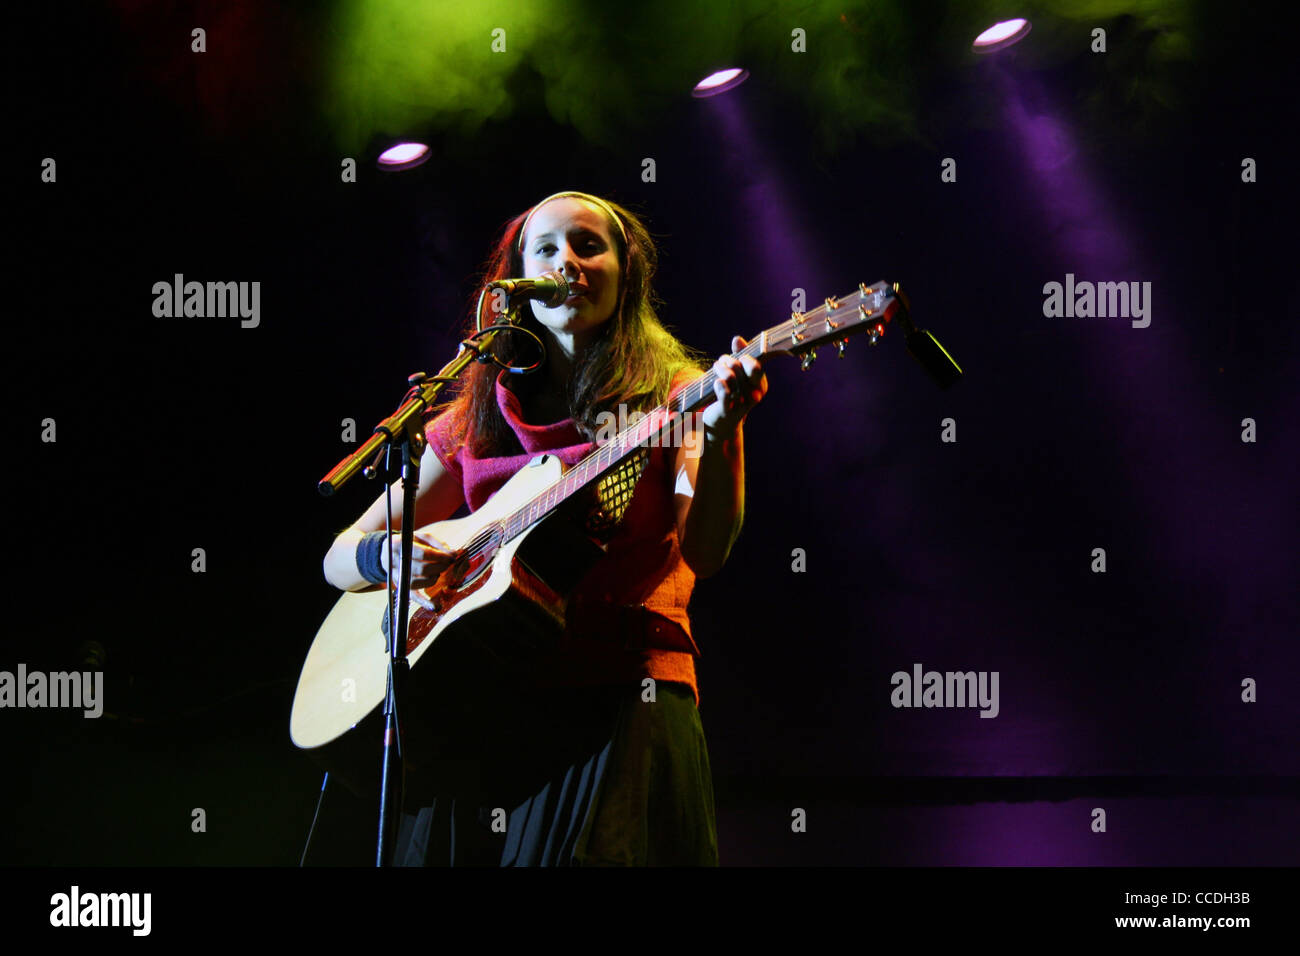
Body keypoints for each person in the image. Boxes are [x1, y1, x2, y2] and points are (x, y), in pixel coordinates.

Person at [321, 190, 767, 865]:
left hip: (623, 701)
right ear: (514, 282)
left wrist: (724, 433)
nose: (569, 263)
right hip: (484, 707)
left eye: (590, 246)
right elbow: (339, 554)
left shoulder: (676, 394)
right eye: (548, 250)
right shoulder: (474, 415)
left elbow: (705, 550)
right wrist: (392, 558)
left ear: (627, 273)